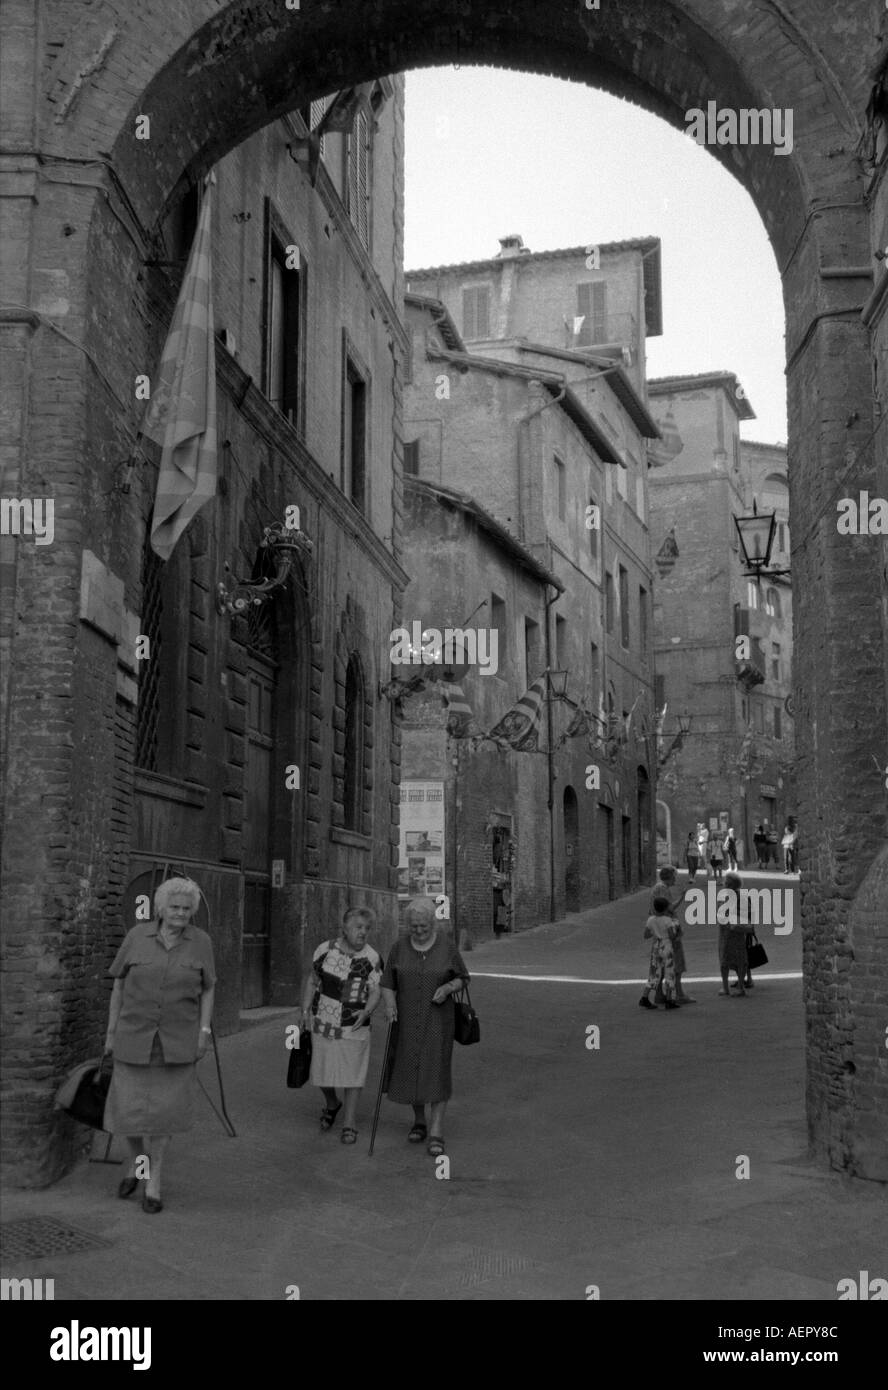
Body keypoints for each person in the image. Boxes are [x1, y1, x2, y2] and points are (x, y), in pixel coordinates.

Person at [103, 877, 216, 1214]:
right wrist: (110, 1033)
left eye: (186, 908)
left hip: (176, 1042)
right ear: (161, 909)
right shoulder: (137, 937)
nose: (180, 914)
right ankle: (139, 1161)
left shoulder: (201, 942)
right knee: (128, 1113)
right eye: (174, 907)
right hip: (132, 1037)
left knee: (164, 1116)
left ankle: (154, 1181)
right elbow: (119, 987)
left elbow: (208, 987)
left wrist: (204, 1032)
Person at [380, 896, 470, 1157]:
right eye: (414, 927)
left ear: (433, 924)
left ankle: (437, 1130)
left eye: (424, 927)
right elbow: (387, 982)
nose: (418, 931)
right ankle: (419, 1120)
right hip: (406, 1020)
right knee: (411, 1070)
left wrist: (448, 987)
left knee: (436, 1071)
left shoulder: (447, 947)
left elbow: (464, 978)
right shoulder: (399, 947)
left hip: (438, 1021)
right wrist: (389, 1005)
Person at [297, 905, 383, 1145]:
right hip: (323, 1020)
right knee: (321, 1072)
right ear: (345, 929)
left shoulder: (372, 957)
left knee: (353, 1073)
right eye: (358, 927)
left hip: (354, 1023)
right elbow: (312, 981)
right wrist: (304, 1011)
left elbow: (375, 991)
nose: (363, 932)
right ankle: (332, 1103)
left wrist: (367, 1011)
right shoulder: (325, 950)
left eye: (367, 928)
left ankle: (349, 1123)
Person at [649, 866, 694, 1003]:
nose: (676, 878)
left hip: (659, 930)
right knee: (677, 962)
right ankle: (679, 994)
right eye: (674, 875)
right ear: (670, 876)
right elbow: (670, 908)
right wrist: (682, 896)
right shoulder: (662, 888)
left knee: (662, 963)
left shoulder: (658, 888)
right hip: (668, 930)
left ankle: (659, 994)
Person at [639, 893, 679, 1011]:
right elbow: (672, 936)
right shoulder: (668, 920)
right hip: (666, 947)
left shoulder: (650, 920)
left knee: (654, 973)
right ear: (666, 908)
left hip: (656, 947)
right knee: (669, 972)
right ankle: (669, 999)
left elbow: (646, 935)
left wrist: (656, 932)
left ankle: (644, 997)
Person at [719, 872, 749, 997]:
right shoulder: (741, 897)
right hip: (736, 932)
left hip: (730, 931)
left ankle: (728, 987)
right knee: (738, 960)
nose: (725, 885)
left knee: (726, 959)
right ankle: (739, 987)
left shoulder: (728, 897)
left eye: (727, 883)